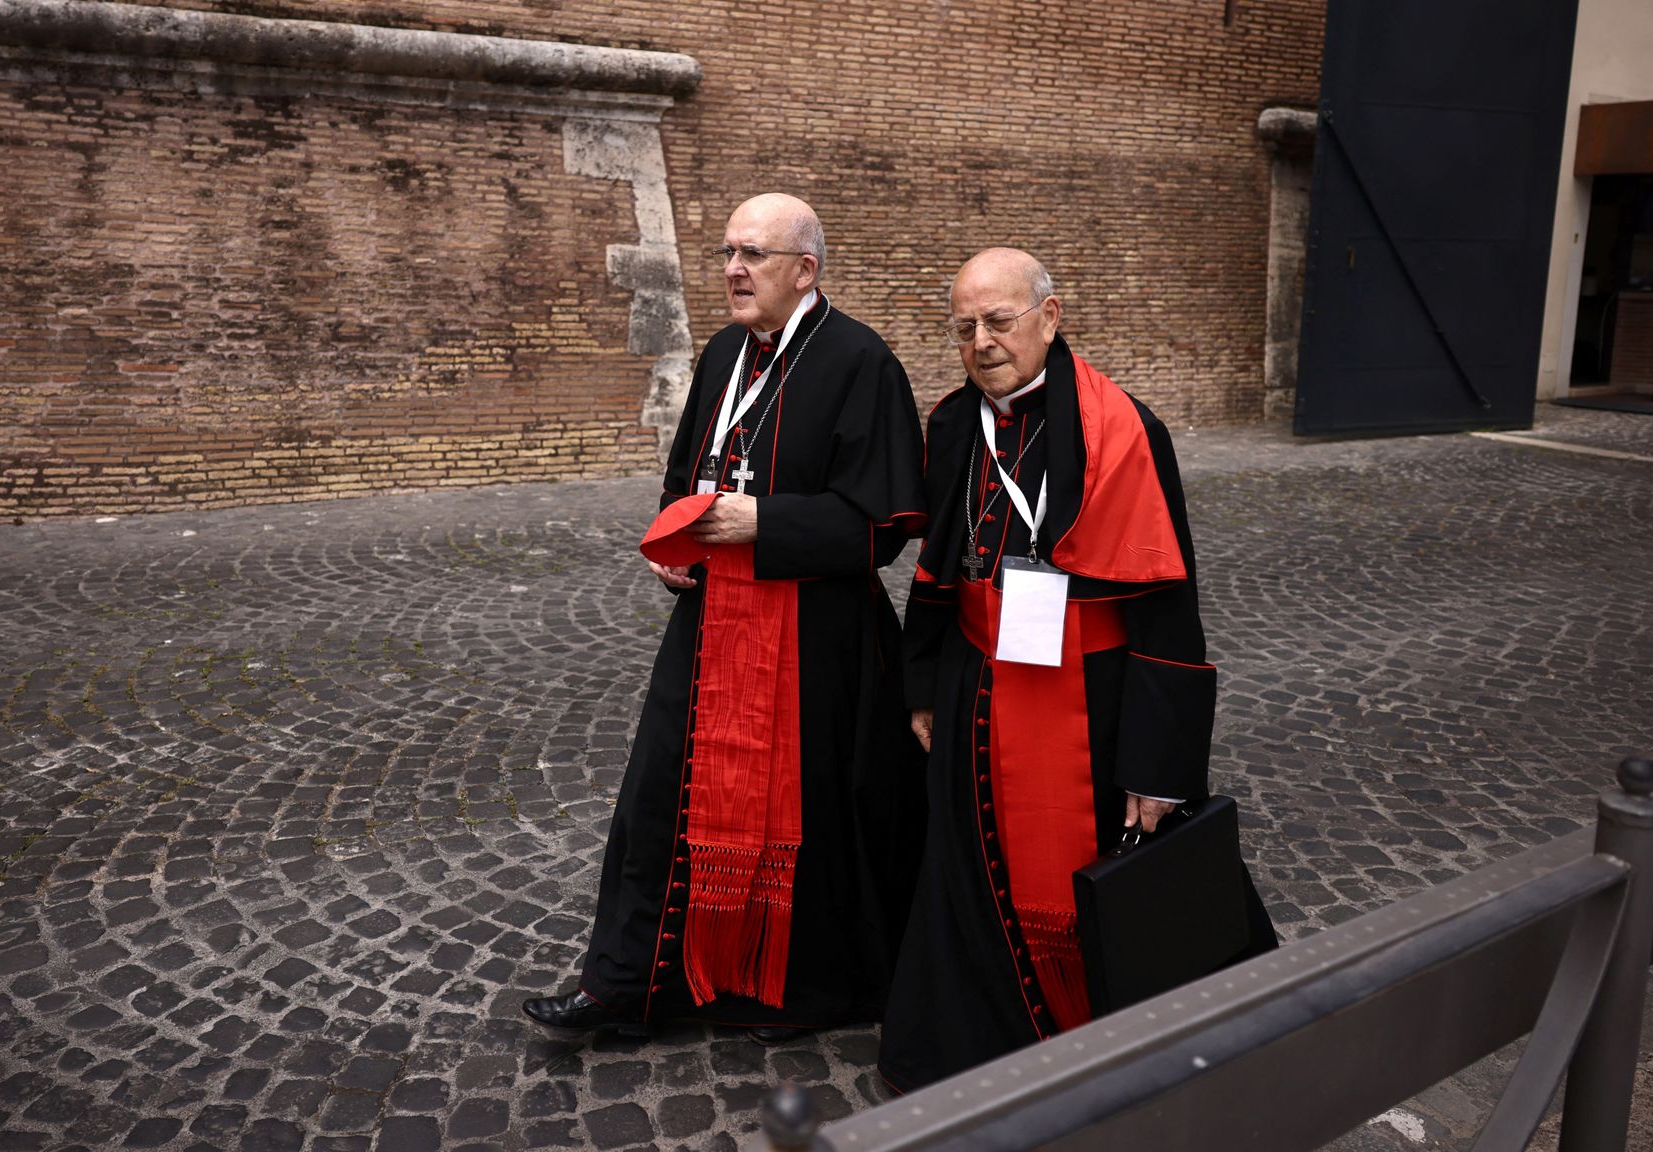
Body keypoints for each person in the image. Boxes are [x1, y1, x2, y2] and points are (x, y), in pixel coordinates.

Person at [522, 194, 929, 1042]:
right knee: (661, 797)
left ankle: (797, 990)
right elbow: (687, 477)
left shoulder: (861, 362)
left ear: (804, 270)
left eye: (752, 254)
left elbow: (882, 527)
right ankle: (626, 986)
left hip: (816, 636)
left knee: (810, 817)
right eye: (727, 254)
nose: (734, 270)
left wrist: (764, 522)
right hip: (711, 624)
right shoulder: (721, 354)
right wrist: (673, 542)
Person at [878, 248, 1276, 1091]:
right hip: (977, 684)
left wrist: (1161, 767)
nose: (982, 342)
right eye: (964, 328)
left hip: (1093, 697)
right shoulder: (952, 424)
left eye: (999, 321)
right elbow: (938, 569)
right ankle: (989, 1046)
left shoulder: (1124, 427)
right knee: (971, 870)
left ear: (1050, 319)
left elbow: (1168, 603)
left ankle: (1110, 1041)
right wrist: (923, 684)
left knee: (1105, 878)